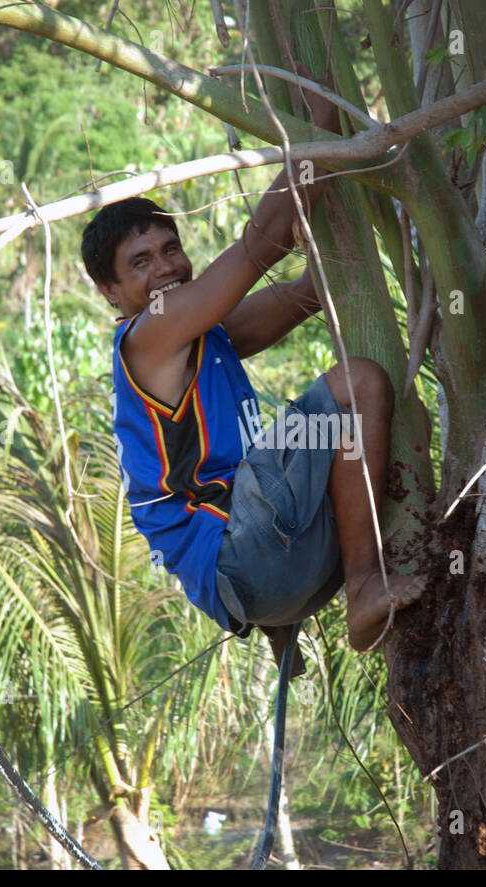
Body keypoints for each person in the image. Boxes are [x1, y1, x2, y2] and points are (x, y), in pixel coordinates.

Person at [79, 74, 424, 655]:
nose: (164, 268)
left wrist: (407, 229)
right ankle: (365, 583)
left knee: (340, 406)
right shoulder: (147, 336)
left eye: (171, 250)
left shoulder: (204, 336)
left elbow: (307, 292)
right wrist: (319, 128)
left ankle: (357, 580)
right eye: (140, 263)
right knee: (358, 384)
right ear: (109, 291)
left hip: (272, 584)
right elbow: (259, 246)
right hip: (248, 555)